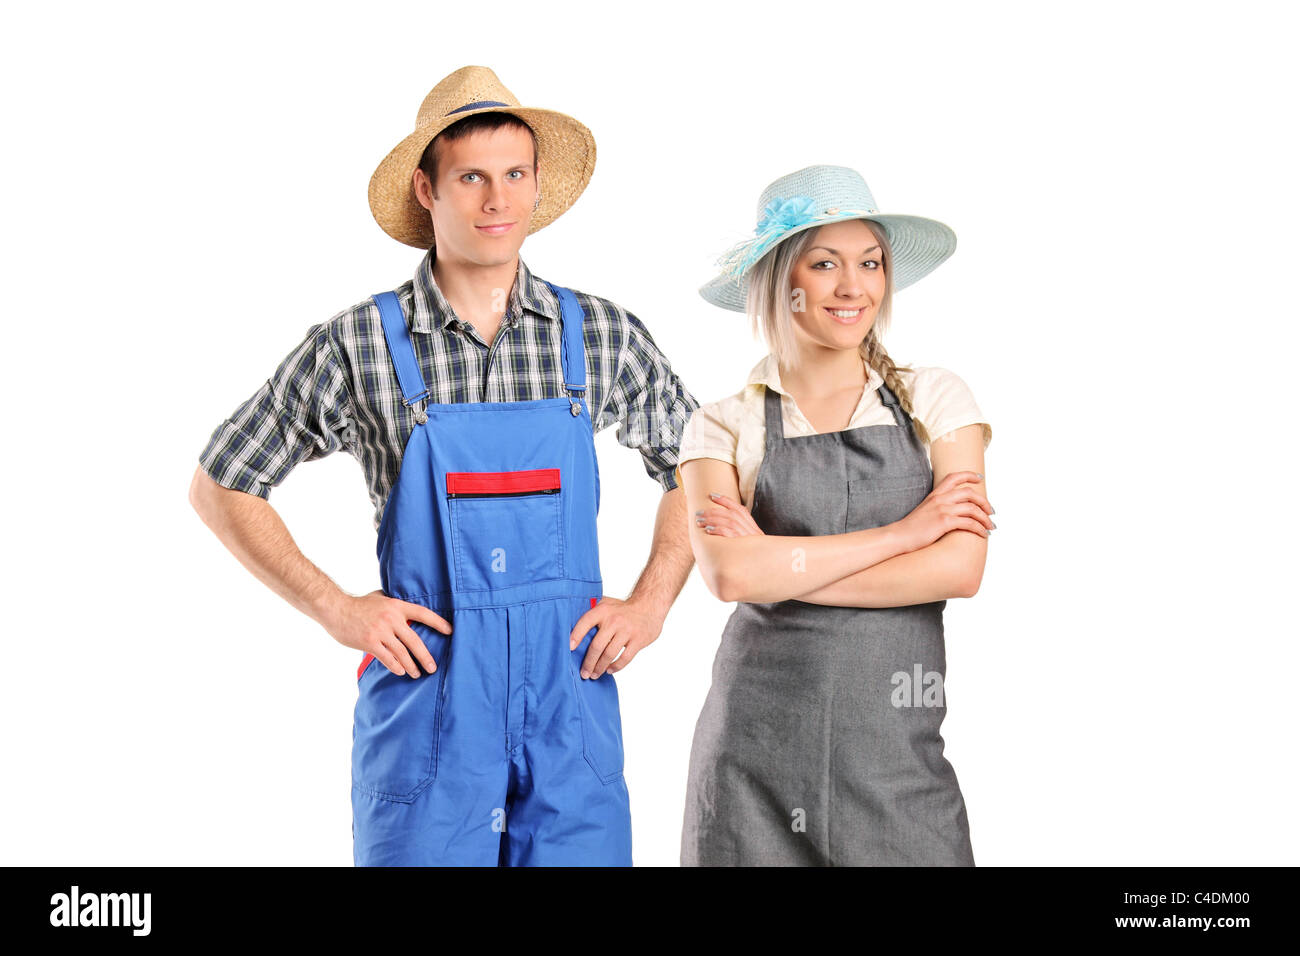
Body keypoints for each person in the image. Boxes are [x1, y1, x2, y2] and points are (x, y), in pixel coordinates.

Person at [189, 66, 700, 866]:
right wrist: (337, 609)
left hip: (570, 694)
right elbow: (222, 481)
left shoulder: (600, 335)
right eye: (471, 178)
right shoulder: (358, 343)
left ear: (536, 188)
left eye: (514, 175)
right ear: (427, 191)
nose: (496, 201)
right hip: (431, 699)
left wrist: (651, 603)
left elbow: (702, 467)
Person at [676, 165, 994, 866]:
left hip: (896, 766)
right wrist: (905, 536)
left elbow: (960, 567)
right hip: (752, 757)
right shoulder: (719, 424)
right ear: (778, 281)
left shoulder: (936, 400)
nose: (855, 287)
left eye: (870, 263)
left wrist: (778, 570)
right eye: (825, 264)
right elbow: (729, 576)